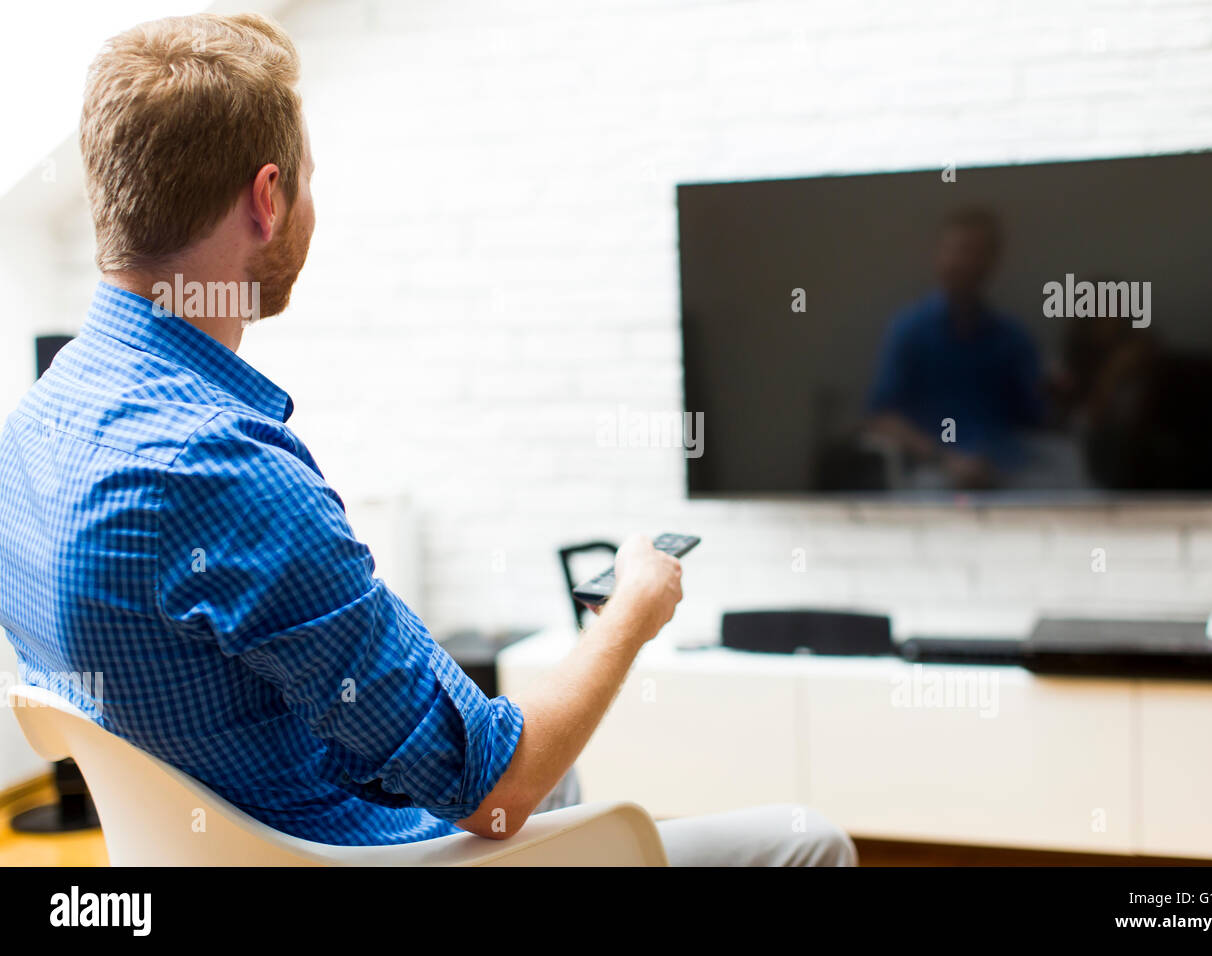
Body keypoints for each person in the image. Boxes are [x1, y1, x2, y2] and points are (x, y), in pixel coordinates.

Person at [0, 13, 854, 867]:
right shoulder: (224, 470)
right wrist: (628, 614)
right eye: (306, 181)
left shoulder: (31, 433)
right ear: (267, 200)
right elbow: (496, 792)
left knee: (561, 783)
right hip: (354, 855)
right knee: (807, 840)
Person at [865, 207, 1044, 490]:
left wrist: (1052, 392)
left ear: (991, 262)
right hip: (932, 472)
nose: (962, 263)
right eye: (955, 251)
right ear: (939, 255)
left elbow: (1033, 415)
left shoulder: (1012, 336)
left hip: (1007, 470)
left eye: (974, 253)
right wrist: (945, 458)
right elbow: (882, 417)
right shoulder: (909, 329)